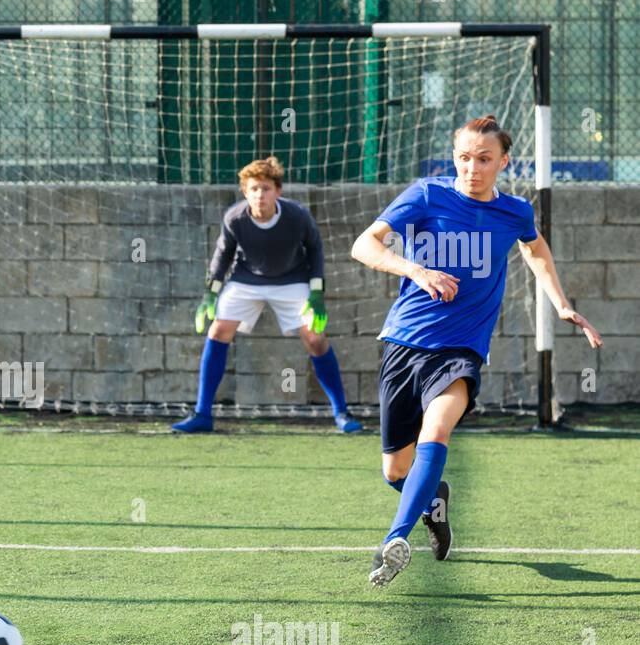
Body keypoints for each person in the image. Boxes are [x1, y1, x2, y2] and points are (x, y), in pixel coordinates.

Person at [350, 115, 602, 587]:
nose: (472, 168)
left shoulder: (514, 212)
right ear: (454, 159)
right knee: (394, 469)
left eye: (484, 159)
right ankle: (433, 500)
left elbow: (535, 251)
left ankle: (394, 539)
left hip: (460, 351)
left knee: (438, 428)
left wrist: (563, 306)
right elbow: (364, 245)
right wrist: (417, 272)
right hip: (405, 344)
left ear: (503, 162)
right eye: (464, 158)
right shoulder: (426, 194)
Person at [173, 156, 360, 434]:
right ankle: (202, 414)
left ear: (278, 191)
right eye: (254, 189)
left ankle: (341, 413)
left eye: (266, 188)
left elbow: (316, 250)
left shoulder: (297, 216)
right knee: (218, 330)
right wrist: (210, 295)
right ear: (245, 192)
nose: (260, 195)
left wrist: (317, 294)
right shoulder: (235, 218)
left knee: (315, 338)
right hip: (246, 280)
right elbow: (221, 257)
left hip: (292, 280)